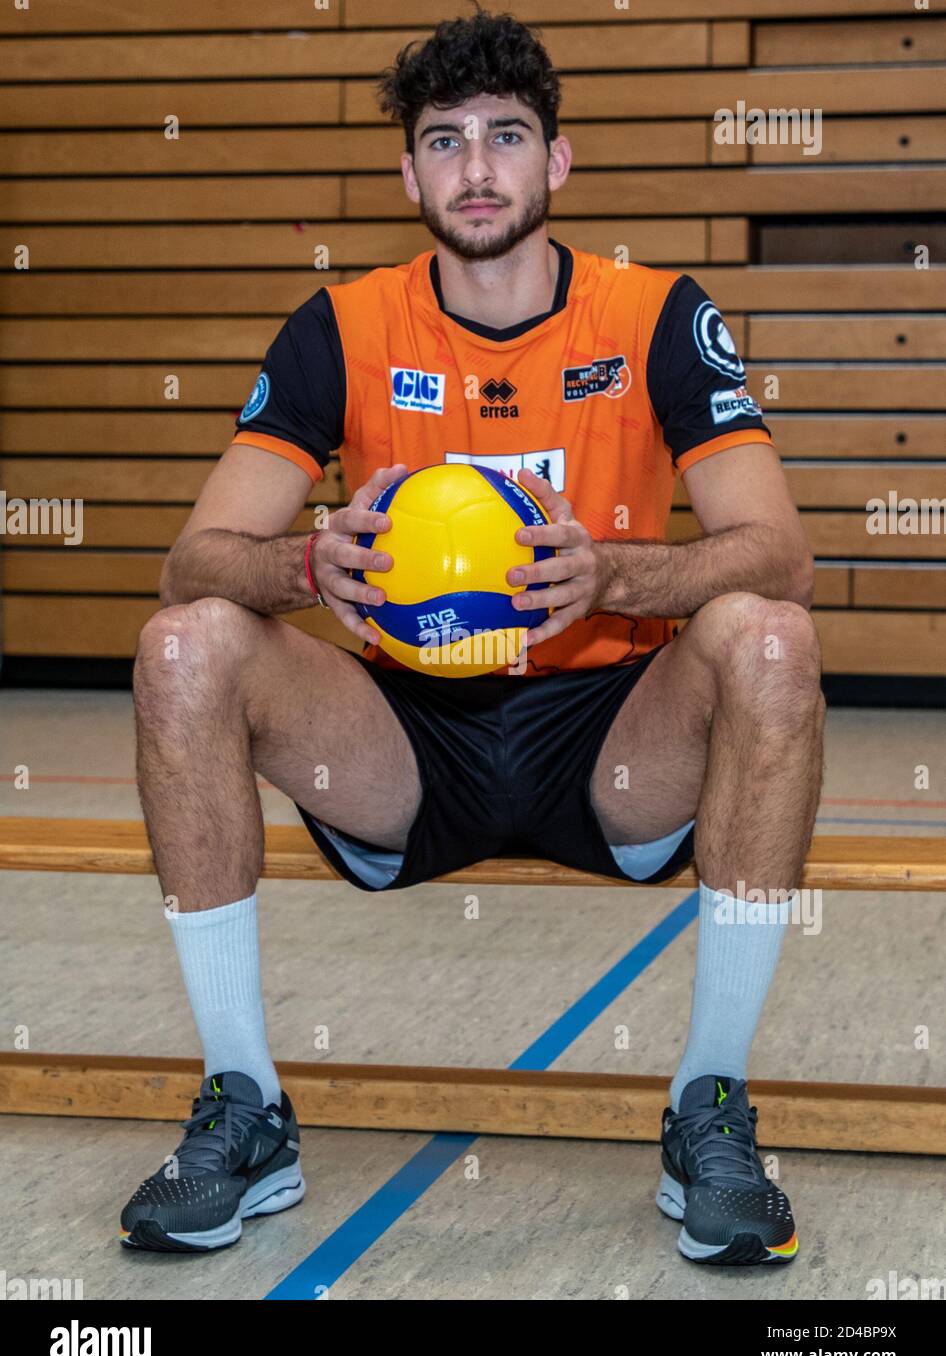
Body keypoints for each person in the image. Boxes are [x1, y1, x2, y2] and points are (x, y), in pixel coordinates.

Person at [120, 7, 824, 1265]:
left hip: (613, 735)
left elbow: (781, 552)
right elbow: (193, 560)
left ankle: (708, 1105)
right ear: (408, 174)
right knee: (182, 645)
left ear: (557, 162)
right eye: (445, 141)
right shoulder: (341, 327)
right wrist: (306, 560)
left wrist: (616, 571)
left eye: (507, 136)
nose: (478, 166)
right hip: (404, 738)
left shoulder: (657, 315)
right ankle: (246, 1108)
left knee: (767, 637)